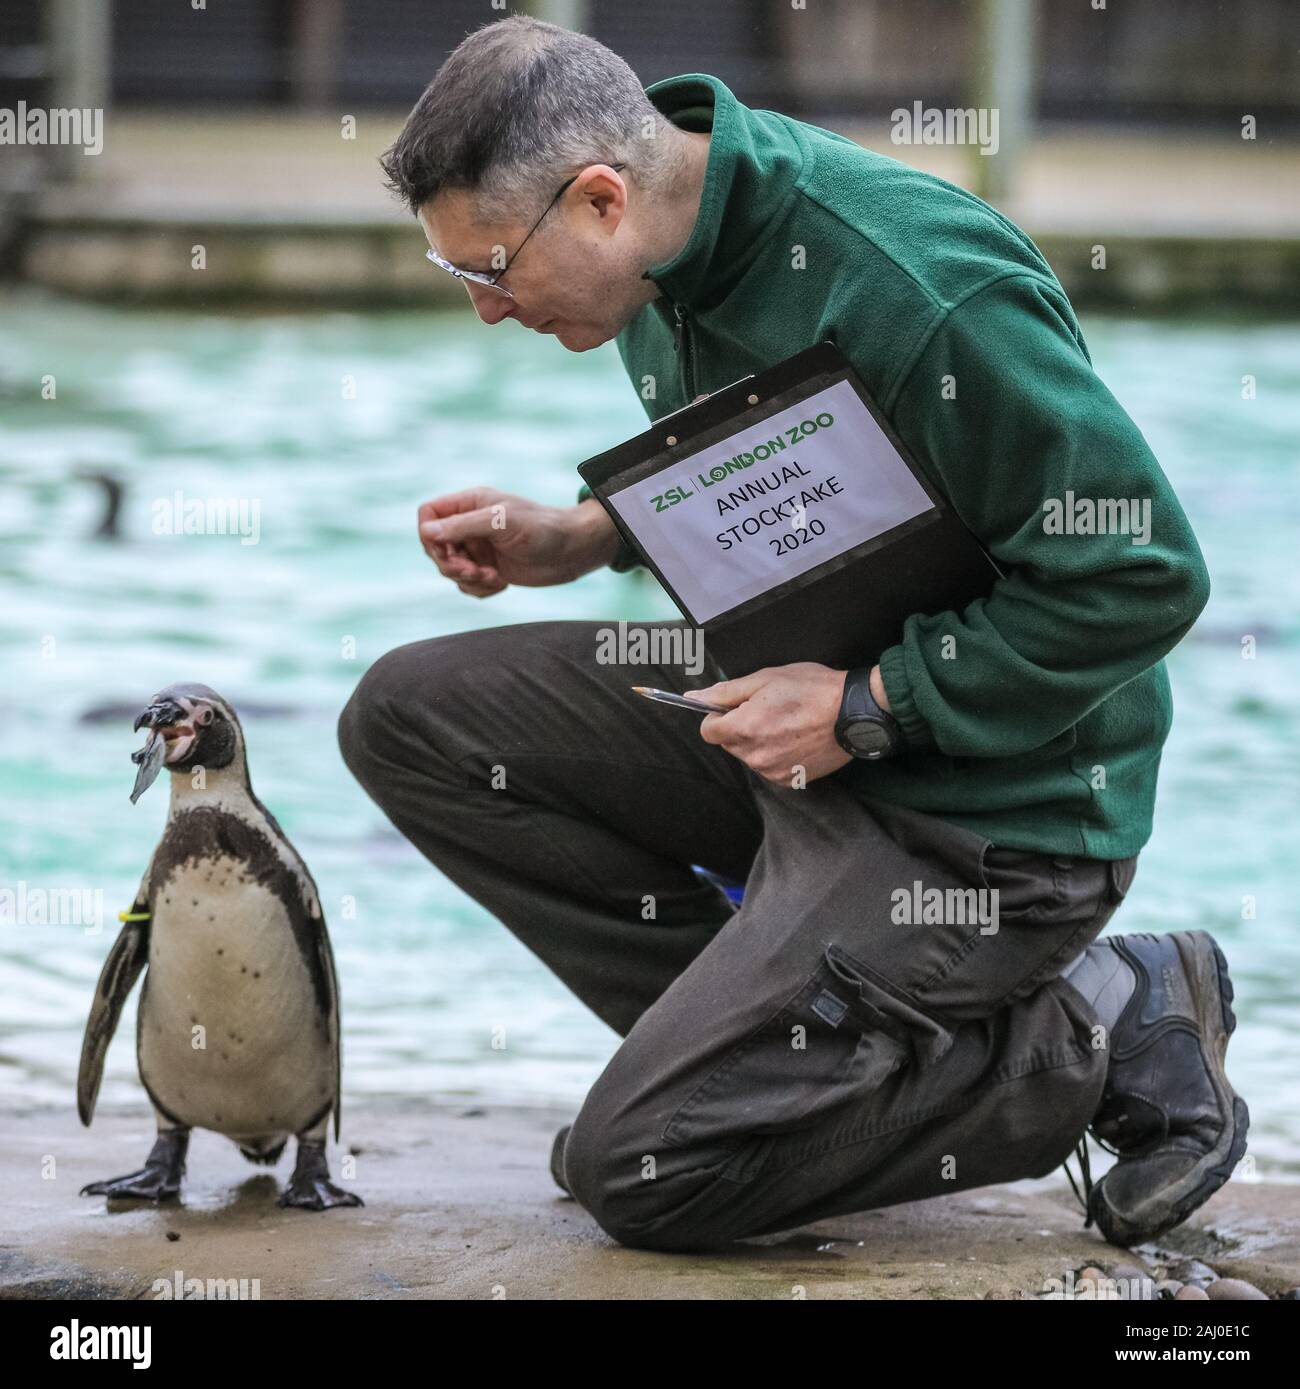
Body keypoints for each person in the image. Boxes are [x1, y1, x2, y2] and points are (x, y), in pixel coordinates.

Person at [338, 15, 1247, 1252]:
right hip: (794, 740)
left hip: (991, 822)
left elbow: (1142, 575)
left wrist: (870, 706)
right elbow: (806, 479)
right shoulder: (663, 251)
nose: (487, 309)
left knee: (647, 1181)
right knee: (408, 718)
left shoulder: (923, 288)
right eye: (463, 277)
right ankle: (740, 1083)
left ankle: (1103, 1028)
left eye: (489, 267)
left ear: (600, 200)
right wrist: (591, 534)